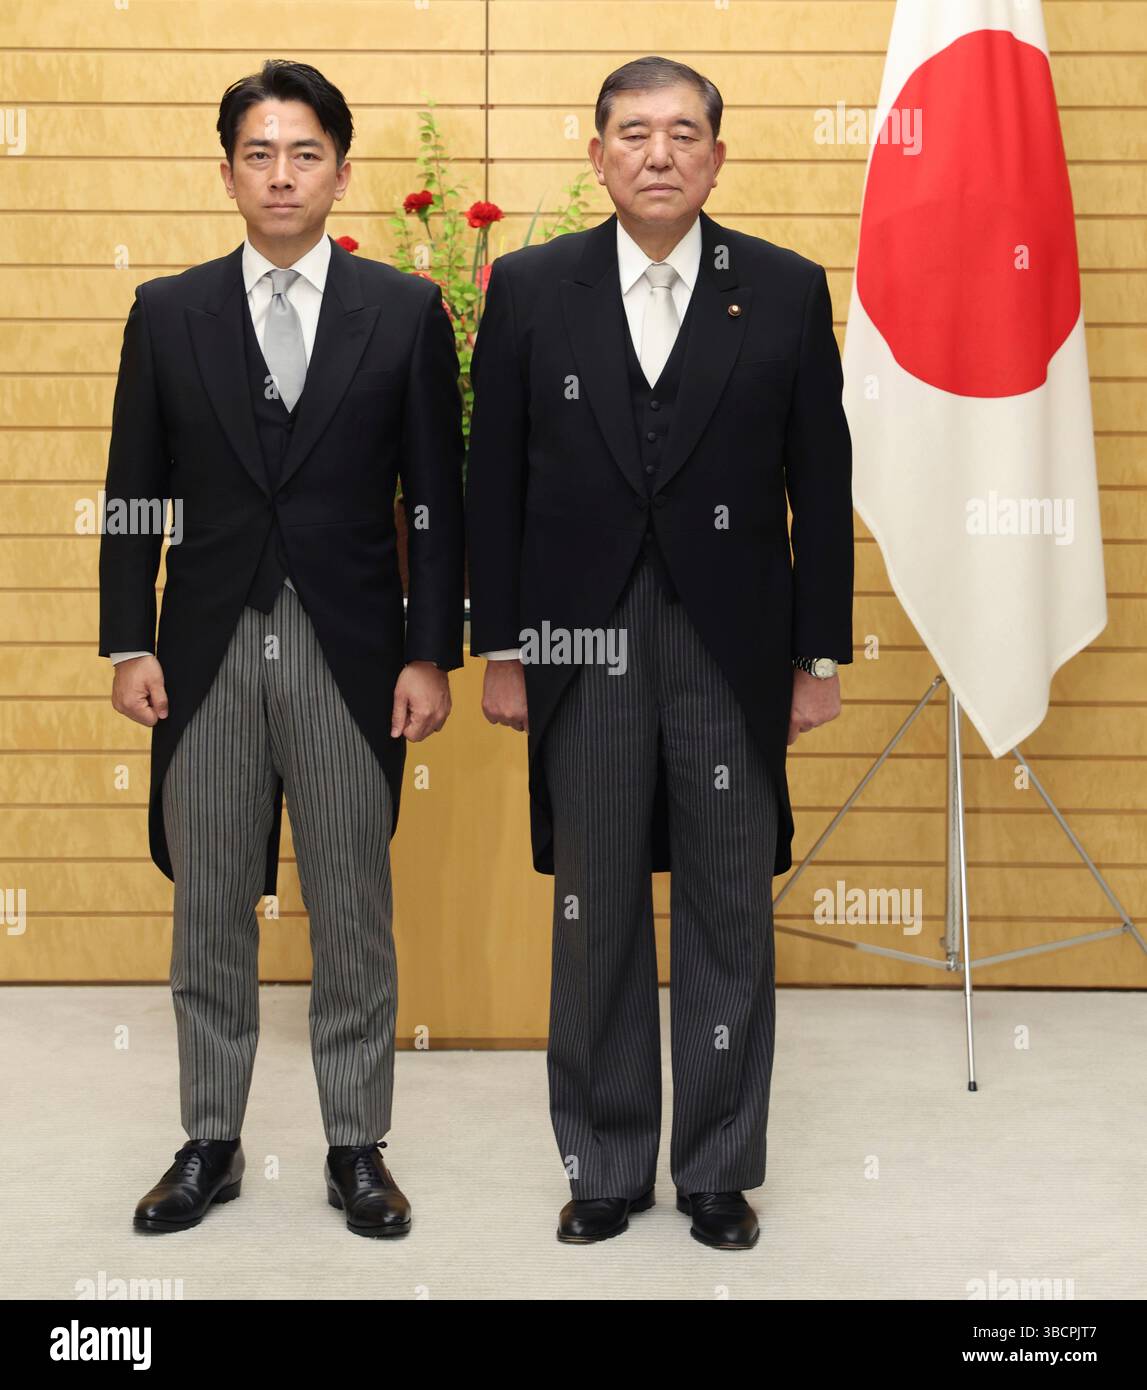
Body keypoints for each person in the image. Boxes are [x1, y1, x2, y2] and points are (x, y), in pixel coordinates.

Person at [466, 56, 853, 1249]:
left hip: (730, 646)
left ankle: (719, 1169)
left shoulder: (783, 288)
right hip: (578, 643)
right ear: (597, 156)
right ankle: (603, 1162)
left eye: (684, 132)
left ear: (717, 158)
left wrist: (817, 658)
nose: (659, 152)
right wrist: (502, 648)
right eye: (633, 132)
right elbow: (493, 484)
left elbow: (820, 484)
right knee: (595, 907)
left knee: (729, 900)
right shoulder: (531, 287)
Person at [99, 59, 464, 1238]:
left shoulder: (402, 312)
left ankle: (357, 1144)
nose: (281, 174)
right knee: (208, 899)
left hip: (350, 648)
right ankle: (209, 1138)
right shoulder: (169, 312)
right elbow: (132, 492)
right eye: (258, 153)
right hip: (202, 645)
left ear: (341, 172)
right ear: (227, 174)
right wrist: (127, 639)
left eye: (305, 153)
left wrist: (429, 651)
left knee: (351, 902)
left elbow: (433, 502)